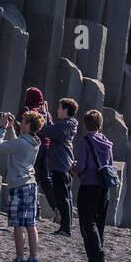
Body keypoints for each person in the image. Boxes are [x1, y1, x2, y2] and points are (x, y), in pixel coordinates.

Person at [0, 111, 42, 262]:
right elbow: (17, 143)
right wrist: (11, 128)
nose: (20, 123)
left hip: (19, 186)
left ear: (28, 125)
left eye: (23, 121)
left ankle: (20, 257)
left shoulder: (21, 143)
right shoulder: (34, 142)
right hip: (31, 185)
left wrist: (2, 128)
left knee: (18, 224)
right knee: (31, 224)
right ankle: (33, 257)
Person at [71, 109, 112, 262]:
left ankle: (97, 259)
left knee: (87, 224)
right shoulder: (106, 142)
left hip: (88, 186)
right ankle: (95, 258)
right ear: (99, 125)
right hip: (103, 187)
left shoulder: (85, 142)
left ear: (85, 124)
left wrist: (72, 168)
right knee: (99, 223)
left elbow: (81, 166)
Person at [40, 98, 79, 236]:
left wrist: (44, 115)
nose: (58, 110)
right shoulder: (68, 124)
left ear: (66, 110)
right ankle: (66, 227)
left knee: (63, 198)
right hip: (65, 165)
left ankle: (66, 228)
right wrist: (47, 115)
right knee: (66, 197)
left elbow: (45, 131)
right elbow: (52, 129)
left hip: (59, 166)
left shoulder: (63, 126)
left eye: (60, 107)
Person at [23, 87, 53, 201]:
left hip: (33, 146)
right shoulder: (47, 113)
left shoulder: (28, 110)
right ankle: (56, 206)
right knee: (46, 178)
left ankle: (35, 208)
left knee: (32, 178)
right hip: (47, 146)